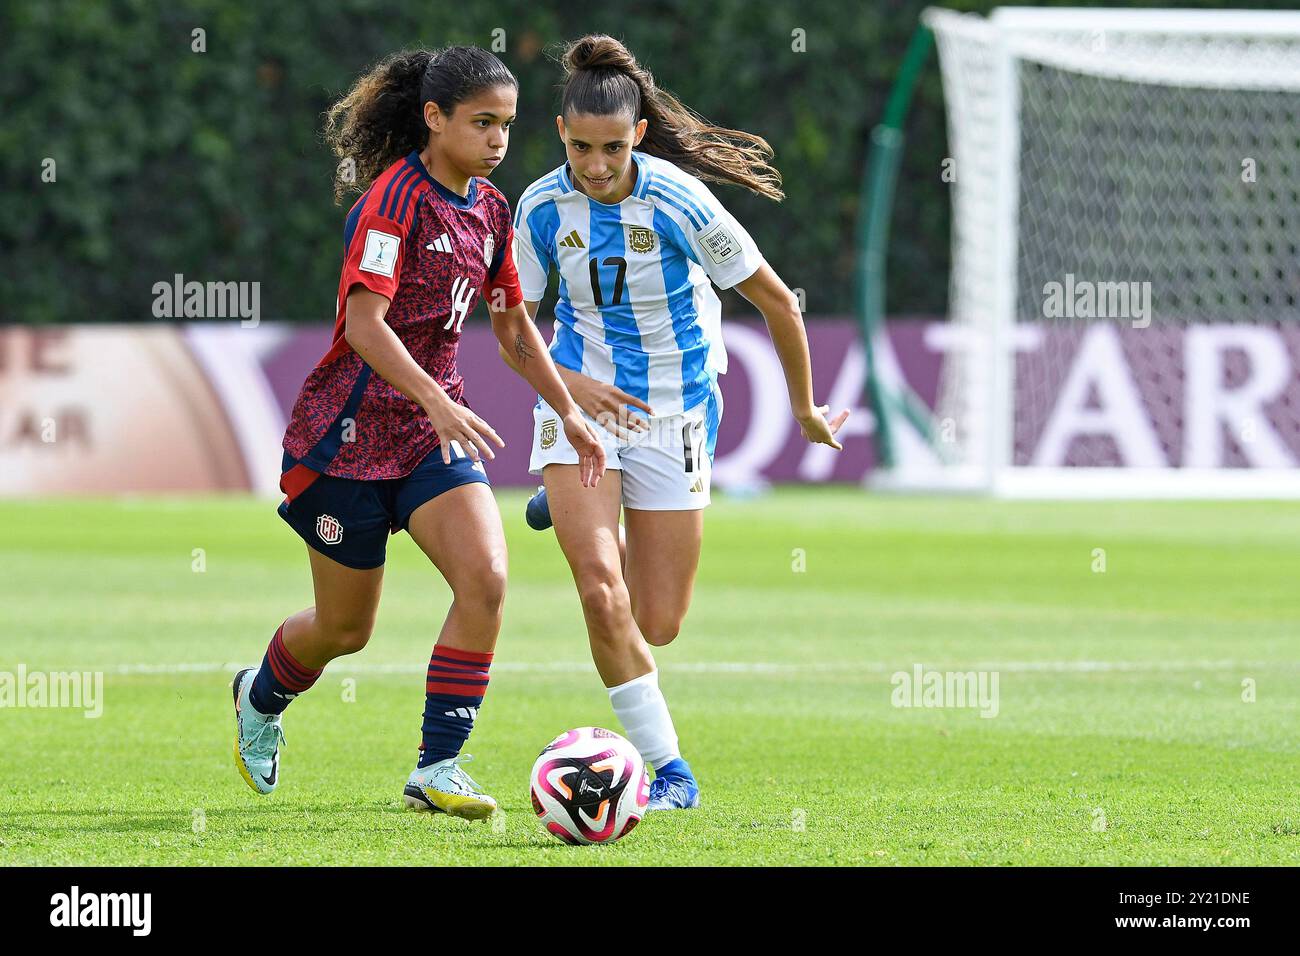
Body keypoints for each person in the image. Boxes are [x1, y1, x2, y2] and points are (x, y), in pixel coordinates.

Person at [230, 46, 605, 820]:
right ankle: (260, 695)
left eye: (507, 124)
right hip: (345, 439)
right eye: (482, 123)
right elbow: (364, 325)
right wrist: (434, 396)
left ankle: (438, 766)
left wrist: (567, 405)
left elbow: (512, 329)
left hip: (435, 437)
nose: (499, 139)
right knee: (344, 630)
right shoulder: (392, 202)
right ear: (433, 119)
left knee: (487, 580)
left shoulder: (492, 210)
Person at [500, 35, 848, 811]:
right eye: (582, 147)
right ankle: (670, 770)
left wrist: (803, 409)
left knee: (657, 623)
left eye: (613, 148)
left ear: (639, 138)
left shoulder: (680, 200)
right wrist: (572, 388)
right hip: (577, 409)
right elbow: (513, 322)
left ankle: (568, 507)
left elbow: (779, 301)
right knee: (599, 591)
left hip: (675, 411)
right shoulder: (538, 205)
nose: (596, 165)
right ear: (561, 134)